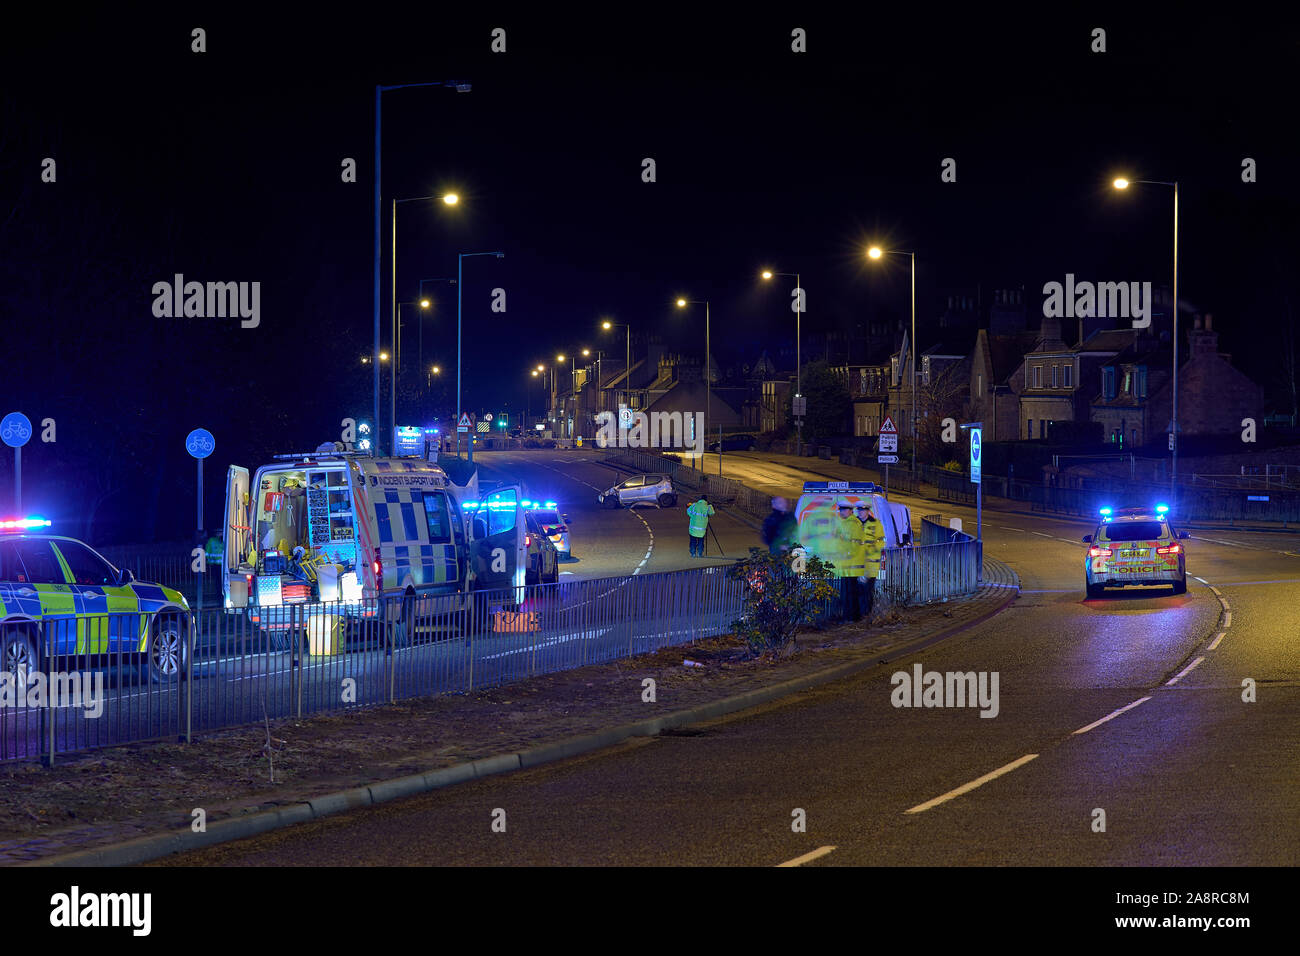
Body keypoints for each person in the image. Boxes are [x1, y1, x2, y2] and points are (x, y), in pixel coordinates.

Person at [833, 498, 869, 621]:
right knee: (846, 593)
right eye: (840, 510)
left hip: (853, 564)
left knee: (851, 592)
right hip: (847, 564)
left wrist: (845, 554)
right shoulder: (844, 523)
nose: (840, 512)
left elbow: (855, 544)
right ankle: (848, 617)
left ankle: (852, 618)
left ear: (850, 511)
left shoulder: (854, 524)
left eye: (843, 510)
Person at [859, 501, 885, 617]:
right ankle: (859, 615)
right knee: (857, 591)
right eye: (859, 510)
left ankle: (867, 615)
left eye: (863, 510)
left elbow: (882, 541)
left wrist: (872, 548)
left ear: (868, 511)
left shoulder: (876, 524)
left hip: (871, 565)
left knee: (868, 591)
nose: (861, 512)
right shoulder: (854, 523)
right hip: (857, 564)